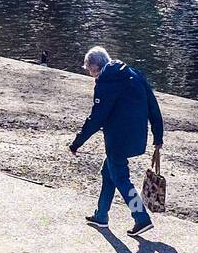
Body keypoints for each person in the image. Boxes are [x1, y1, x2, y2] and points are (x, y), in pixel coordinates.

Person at [68, 46, 164, 237]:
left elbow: (96, 118)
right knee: (108, 172)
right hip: (137, 136)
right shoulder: (134, 74)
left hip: (118, 140)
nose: (90, 74)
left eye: (89, 69)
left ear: (96, 66)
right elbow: (152, 105)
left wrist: (77, 143)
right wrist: (158, 136)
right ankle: (101, 215)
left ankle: (141, 217)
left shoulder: (105, 83)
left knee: (121, 179)